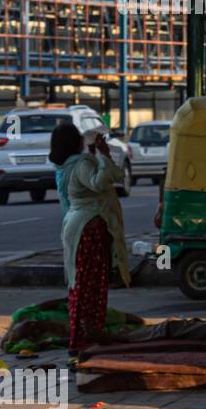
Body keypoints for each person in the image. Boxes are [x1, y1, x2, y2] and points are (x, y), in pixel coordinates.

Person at [51, 121, 129, 353]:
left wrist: (102, 156)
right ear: (75, 142)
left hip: (78, 226)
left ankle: (85, 337)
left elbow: (116, 175)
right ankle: (84, 340)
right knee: (90, 286)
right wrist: (102, 156)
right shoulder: (81, 163)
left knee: (82, 285)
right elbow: (99, 183)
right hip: (89, 228)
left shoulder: (65, 166)